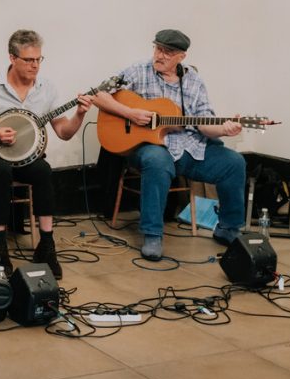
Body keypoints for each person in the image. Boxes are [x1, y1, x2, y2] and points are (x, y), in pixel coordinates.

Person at [92, 29, 245, 261]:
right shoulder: (137, 71)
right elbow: (99, 95)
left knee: (235, 162)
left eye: (168, 52)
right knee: (157, 160)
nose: (160, 55)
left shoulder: (194, 81)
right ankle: (152, 234)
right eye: (157, 48)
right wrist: (130, 113)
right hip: (148, 147)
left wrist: (224, 129)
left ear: (181, 57)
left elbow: (205, 123)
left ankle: (228, 228)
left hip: (189, 149)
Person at [0, 30, 92, 279]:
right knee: (1, 172)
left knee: (43, 170)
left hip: (26, 157)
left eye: (39, 59)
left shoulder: (46, 88)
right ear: (12, 58)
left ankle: (46, 245)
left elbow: (63, 132)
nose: (35, 65)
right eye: (29, 60)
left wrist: (80, 115)